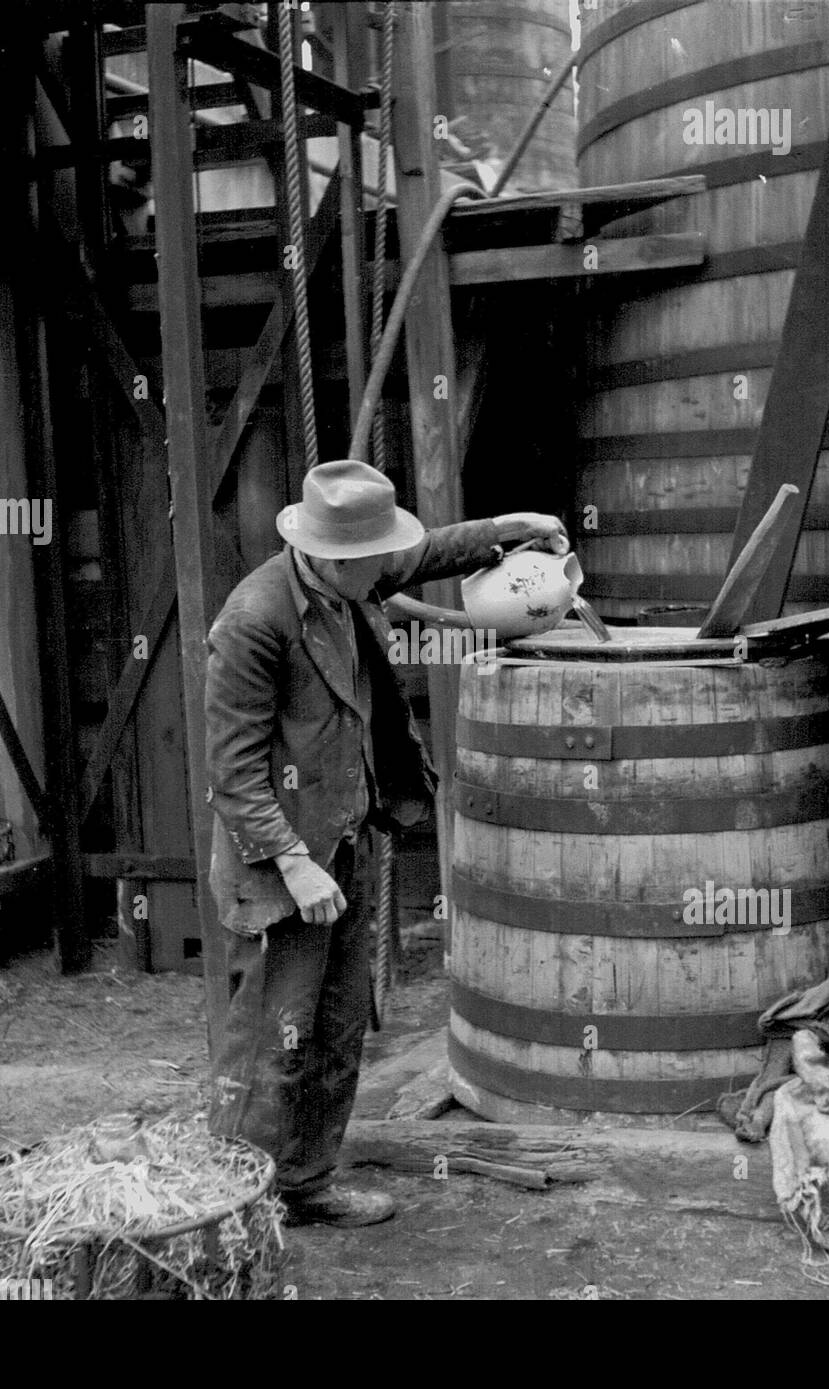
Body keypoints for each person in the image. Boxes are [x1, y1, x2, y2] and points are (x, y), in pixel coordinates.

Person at [204, 459, 566, 1227]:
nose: (388, 569)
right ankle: (228, 1216)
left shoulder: (349, 570)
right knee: (271, 1043)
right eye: (374, 561)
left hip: (345, 840)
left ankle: (305, 1185)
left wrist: (514, 530)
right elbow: (233, 771)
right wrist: (293, 863)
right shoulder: (253, 621)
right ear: (331, 556)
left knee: (336, 1027)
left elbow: (431, 552)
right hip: (281, 866)